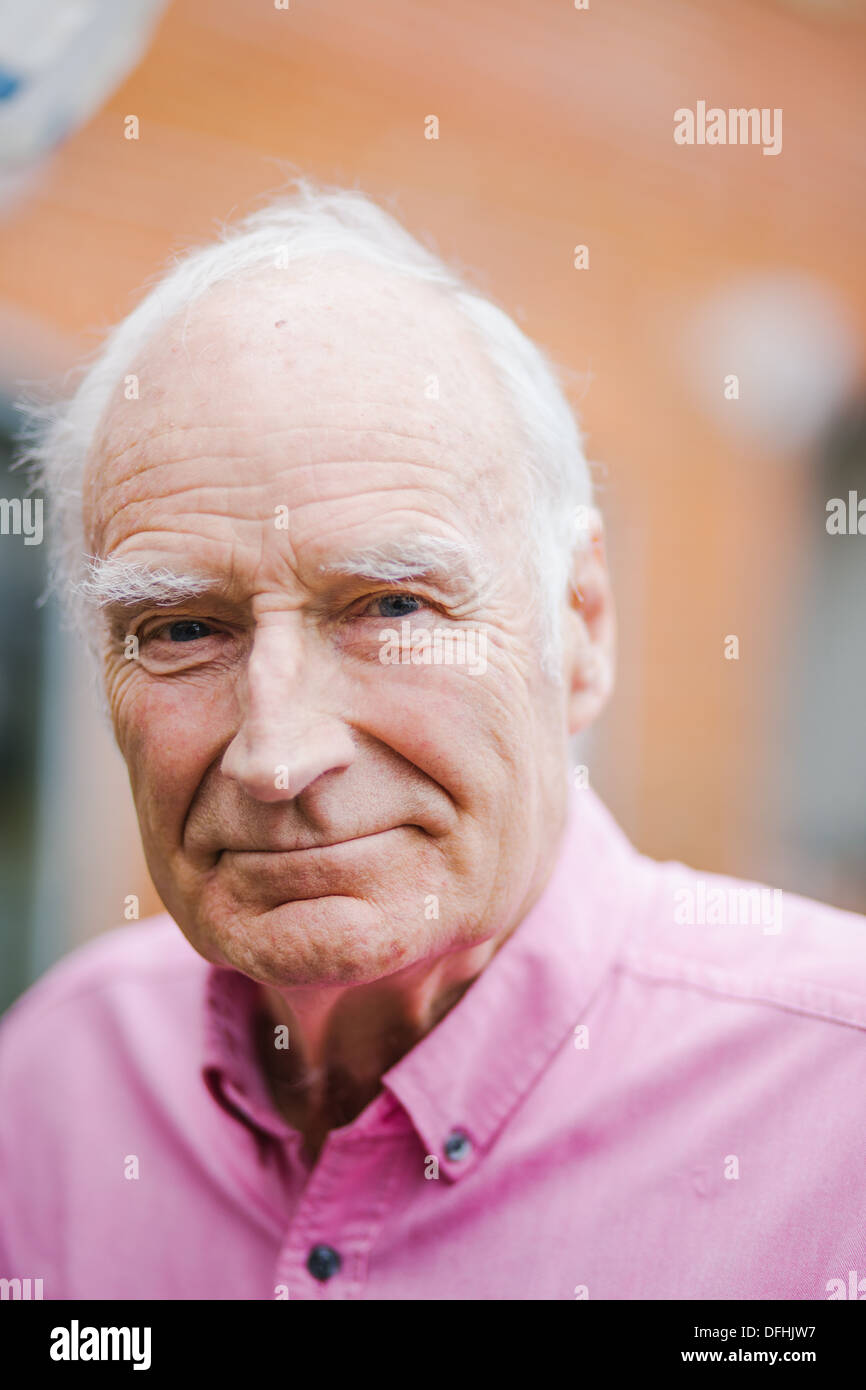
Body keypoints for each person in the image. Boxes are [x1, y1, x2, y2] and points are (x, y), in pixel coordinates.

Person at [1, 180, 864, 1300]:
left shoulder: (833, 1095)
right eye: (180, 628)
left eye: (391, 607)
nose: (276, 753)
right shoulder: (60, 1077)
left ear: (579, 630)